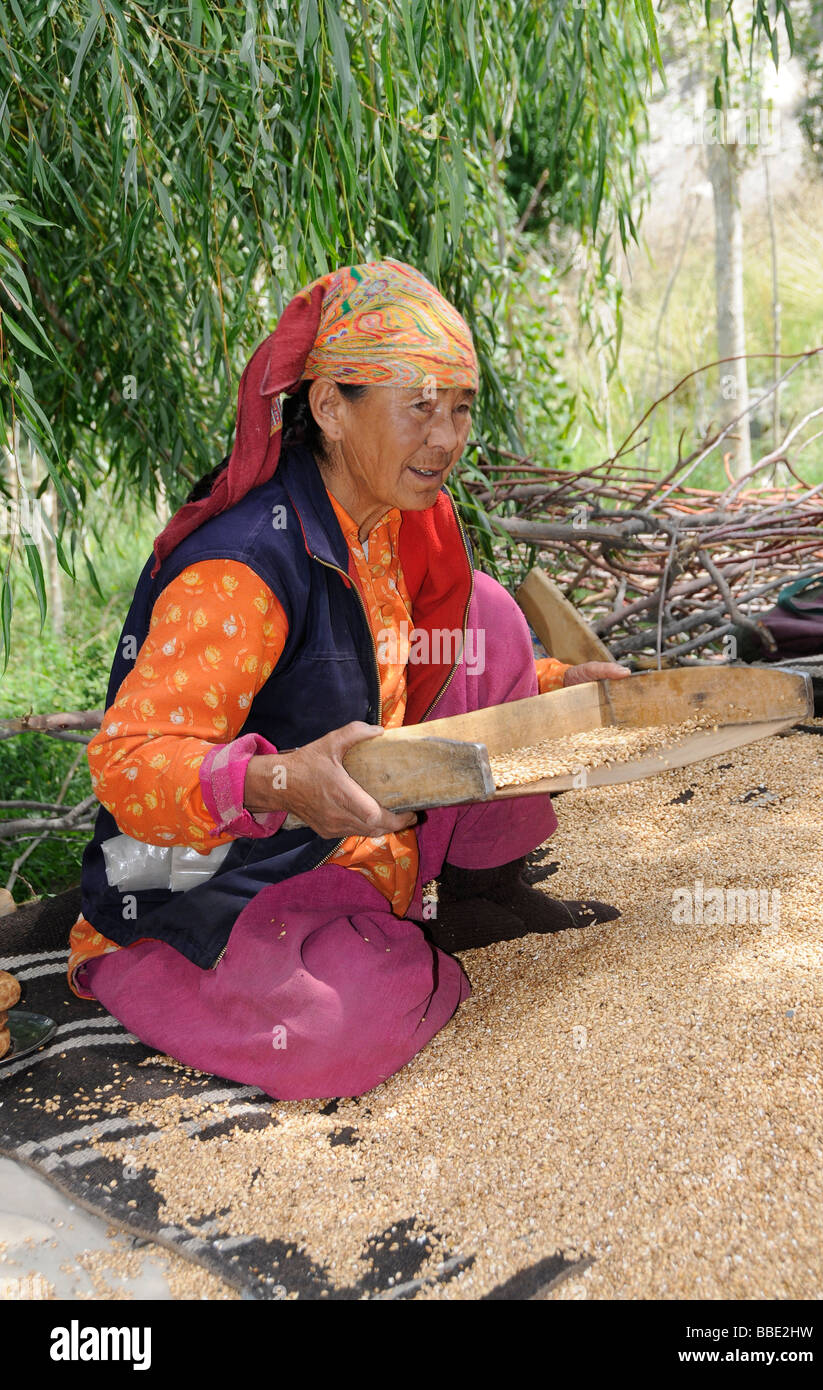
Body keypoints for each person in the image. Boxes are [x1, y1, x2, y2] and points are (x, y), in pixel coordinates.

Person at [69, 258, 630, 1100]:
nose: (445, 438)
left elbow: (415, 664)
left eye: (461, 408)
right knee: (347, 1023)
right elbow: (127, 765)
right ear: (330, 406)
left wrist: (558, 688)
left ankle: (479, 895)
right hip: (212, 875)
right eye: (419, 408)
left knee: (485, 612)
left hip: (358, 832)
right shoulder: (240, 568)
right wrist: (279, 781)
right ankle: (211, 965)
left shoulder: (397, 522)